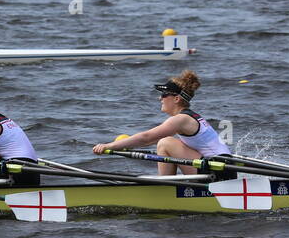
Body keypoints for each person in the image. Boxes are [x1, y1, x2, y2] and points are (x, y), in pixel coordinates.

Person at [92, 70, 230, 175]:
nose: (160, 98)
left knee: (165, 142)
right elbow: (147, 141)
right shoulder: (190, 117)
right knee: (165, 142)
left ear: (176, 99)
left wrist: (109, 145)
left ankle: (165, 188)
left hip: (219, 171)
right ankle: (167, 185)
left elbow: (146, 138)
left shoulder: (181, 119)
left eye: (164, 95)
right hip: (223, 167)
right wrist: (123, 145)